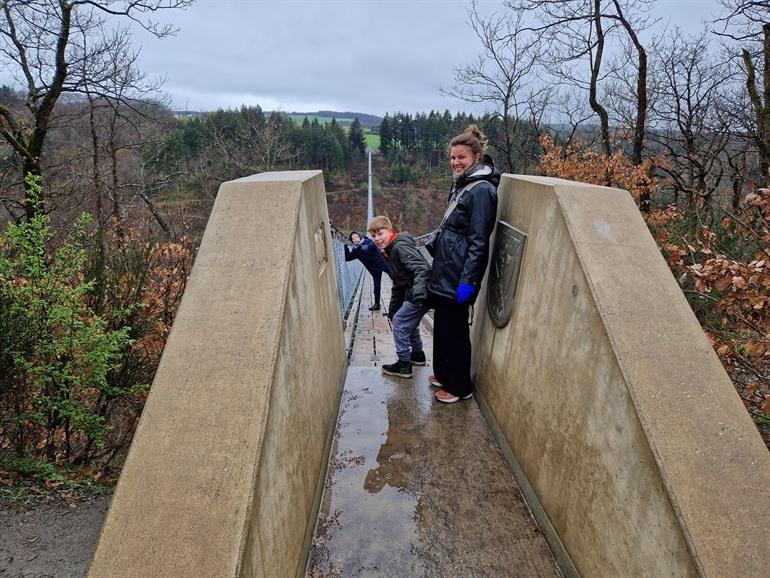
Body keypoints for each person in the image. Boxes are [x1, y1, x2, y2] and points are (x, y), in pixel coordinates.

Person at [427, 125, 499, 403]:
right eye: (452, 158)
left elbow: (479, 240)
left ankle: (460, 387)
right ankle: (445, 373)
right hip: (446, 270)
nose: (455, 162)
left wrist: (468, 282)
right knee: (443, 325)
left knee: (456, 330)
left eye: (461, 158)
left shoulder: (481, 190)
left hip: (459, 275)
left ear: (477, 158)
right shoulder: (463, 185)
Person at [368, 215, 431, 378]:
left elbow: (421, 268)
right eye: (373, 236)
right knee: (408, 321)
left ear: (390, 231)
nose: (376, 239)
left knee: (401, 323)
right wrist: (393, 310)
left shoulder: (398, 247)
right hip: (417, 290)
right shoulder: (391, 250)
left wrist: (418, 295)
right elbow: (398, 284)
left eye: (380, 233)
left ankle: (404, 365)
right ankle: (417, 355)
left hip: (420, 291)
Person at [345, 230, 390, 311]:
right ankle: (377, 304)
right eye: (353, 239)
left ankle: (406, 294)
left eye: (356, 237)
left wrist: (367, 247)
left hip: (383, 264)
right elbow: (348, 257)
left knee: (395, 278)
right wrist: (345, 246)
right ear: (352, 241)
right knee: (376, 286)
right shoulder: (356, 251)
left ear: (360, 237)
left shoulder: (367, 241)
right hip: (374, 270)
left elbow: (373, 244)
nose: (355, 239)